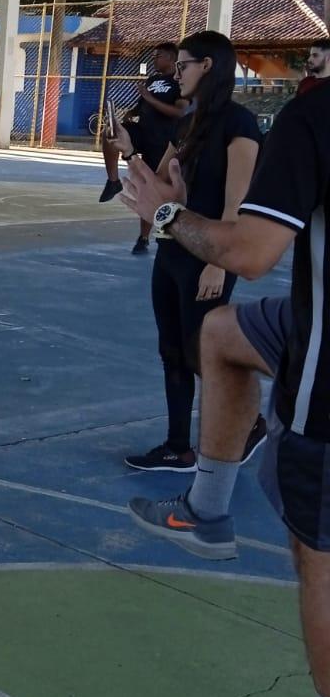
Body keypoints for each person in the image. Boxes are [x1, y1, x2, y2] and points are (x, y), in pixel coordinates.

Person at [121, 31, 330, 697]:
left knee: (320, 553)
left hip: (325, 367)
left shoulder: (310, 120)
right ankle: (207, 507)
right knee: (224, 334)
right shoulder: (238, 119)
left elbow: (251, 251)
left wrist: (166, 210)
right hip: (297, 318)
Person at [112, 31, 264, 474]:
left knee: (204, 353)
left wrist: (218, 263)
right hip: (174, 248)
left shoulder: (240, 126)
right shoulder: (188, 124)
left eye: (183, 66)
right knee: (173, 350)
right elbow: (158, 185)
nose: (175, 74)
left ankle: (251, 422)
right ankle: (179, 447)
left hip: (210, 256)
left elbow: (237, 204)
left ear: (209, 66)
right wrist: (129, 152)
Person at [99, 41, 187, 254]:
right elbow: (143, 105)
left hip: (163, 140)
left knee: (150, 187)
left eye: (159, 55)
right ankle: (113, 182)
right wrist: (133, 111)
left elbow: (178, 113)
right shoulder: (153, 79)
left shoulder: (179, 83)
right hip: (143, 131)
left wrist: (148, 97)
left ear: (172, 59)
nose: (154, 58)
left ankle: (144, 237)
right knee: (110, 134)